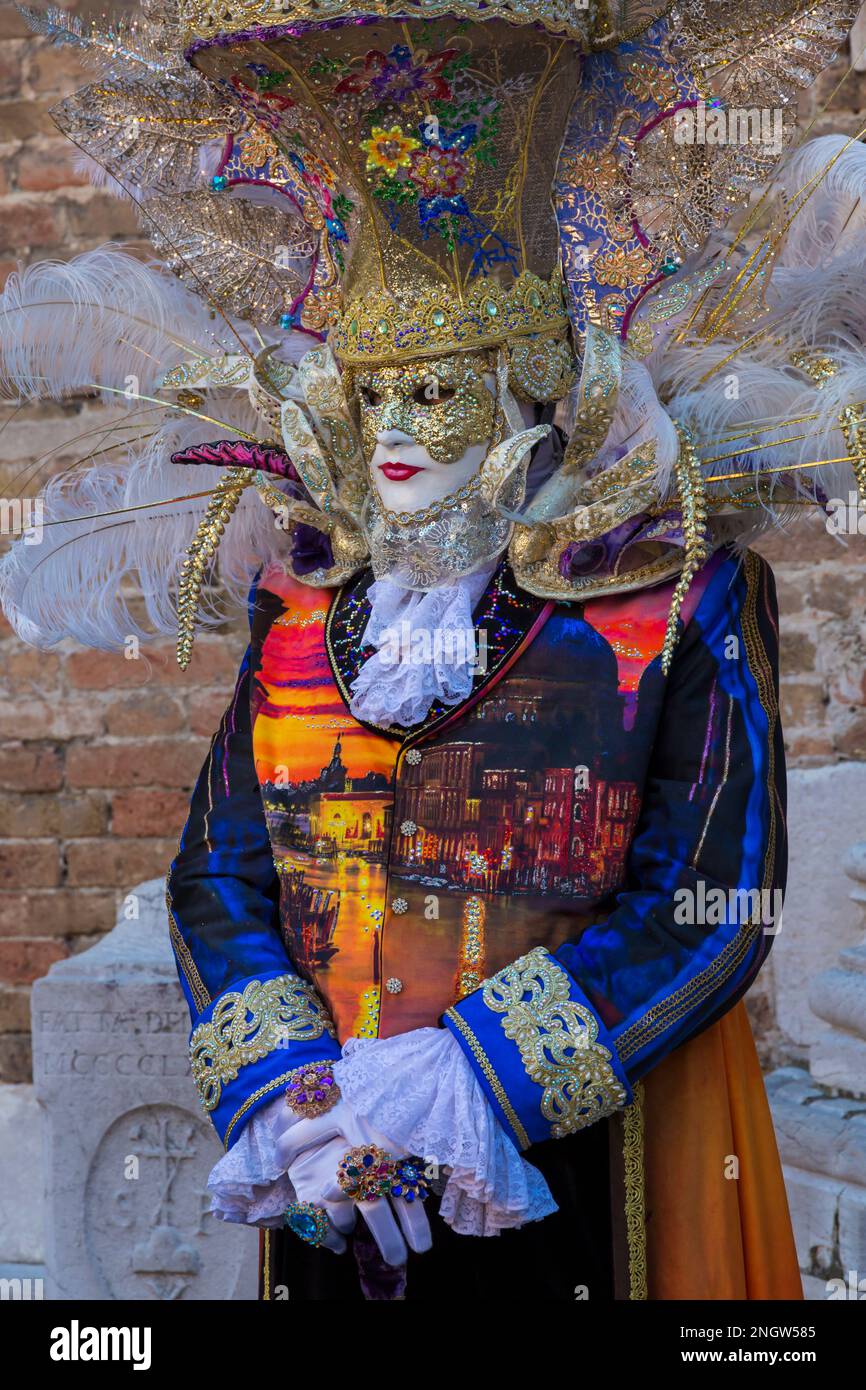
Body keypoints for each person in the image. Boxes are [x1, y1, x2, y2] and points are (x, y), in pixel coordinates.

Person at [2, 0, 865, 1300]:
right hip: (325, 1179)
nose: (395, 427)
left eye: (437, 385)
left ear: (524, 384)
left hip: (587, 1185)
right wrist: (295, 1095)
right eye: (373, 391)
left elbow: (714, 896)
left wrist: (465, 1076)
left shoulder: (674, 593)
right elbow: (218, 870)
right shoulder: (302, 600)